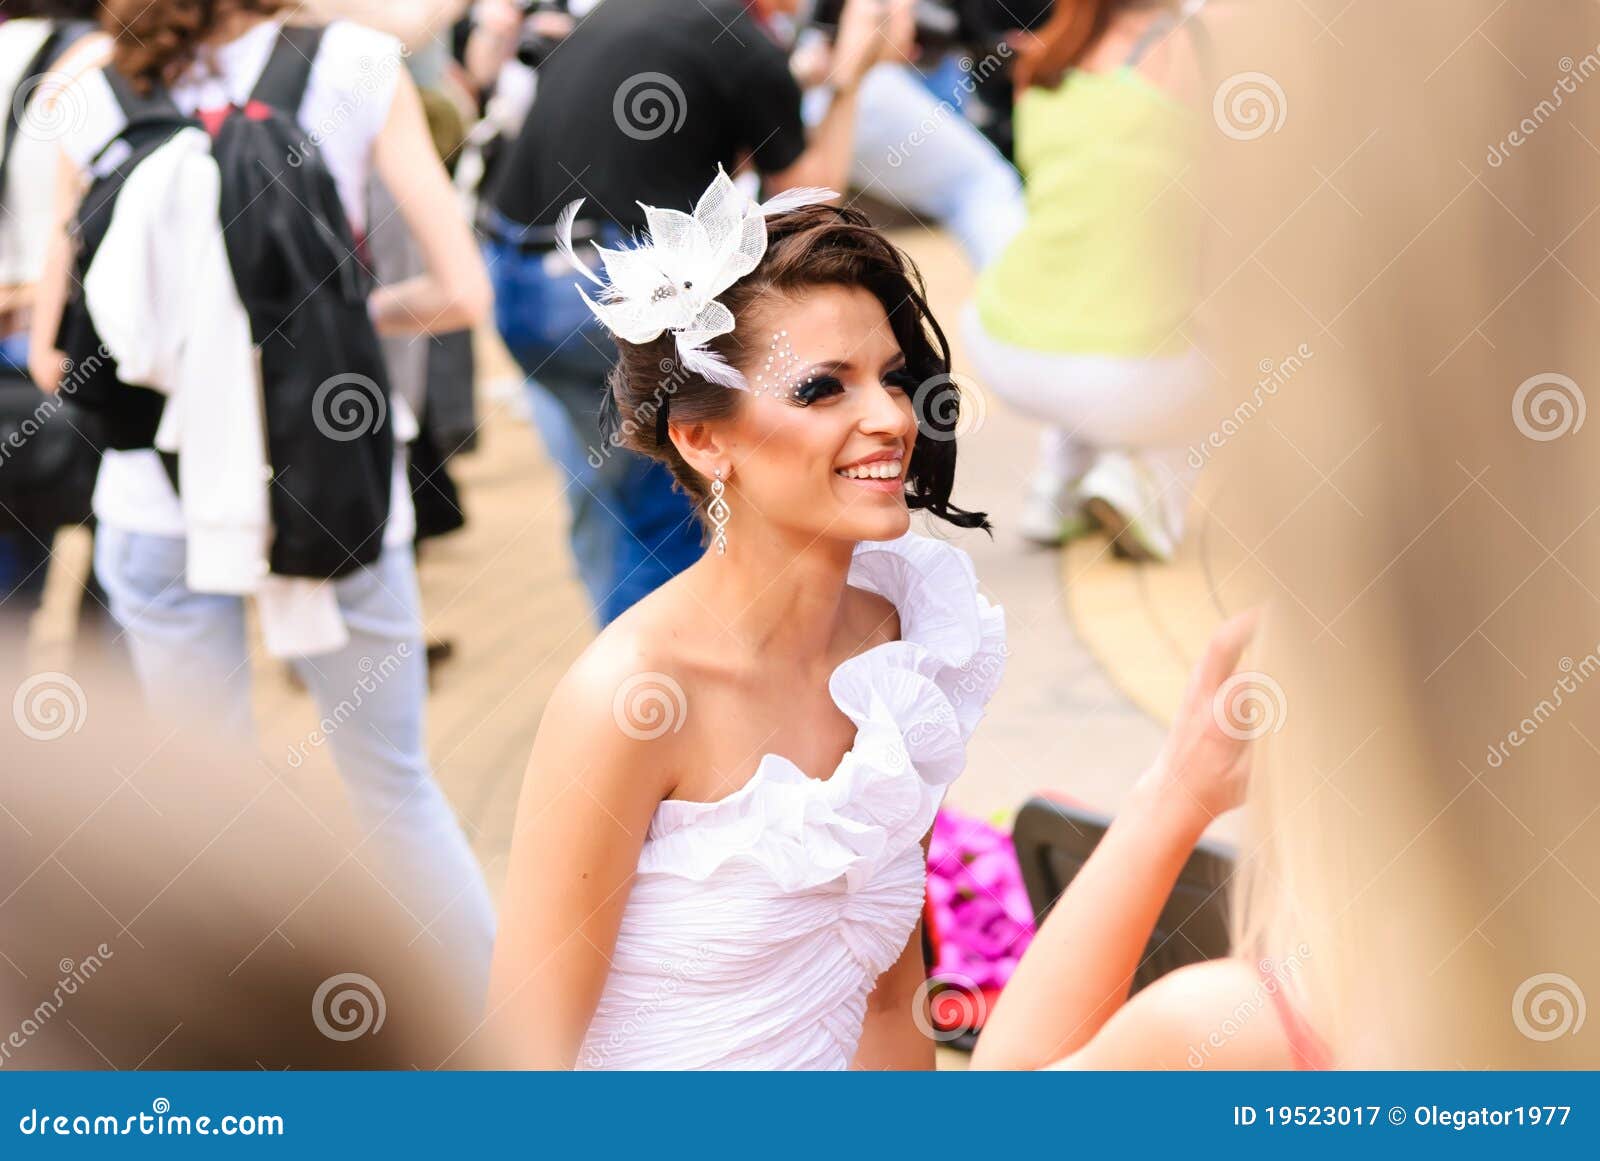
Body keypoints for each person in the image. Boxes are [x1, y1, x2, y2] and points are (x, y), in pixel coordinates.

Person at [27, 0, 498, 1004]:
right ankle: (499, 1053)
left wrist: (197, 354)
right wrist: (312, 325)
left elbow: (49, 352)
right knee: (396, 789)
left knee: (215, 814)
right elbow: (462, 292)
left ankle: (248, 1066)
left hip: (155, 499)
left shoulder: (79, 91)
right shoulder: (356, 64)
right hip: (335, 491)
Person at [487, 170, 1001, 1069]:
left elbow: (889, 1000)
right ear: (703, 437)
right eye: (820, 390)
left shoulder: (908, 646)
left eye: (890, 376)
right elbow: (522, 1068)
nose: (889, 417)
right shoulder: (632, 697)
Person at [479, 0, 914, 627]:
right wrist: (852, 73)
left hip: (518, 279)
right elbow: (812, 199)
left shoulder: (623, 13)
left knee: (604, 494)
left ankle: (624, 658)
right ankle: (659, 692)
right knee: (671, 509)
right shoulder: (747, 46)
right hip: (617, 290)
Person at [964, 0, 1210, 557]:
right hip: (1120, 370)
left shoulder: (1042, 59)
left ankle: (1058, 492)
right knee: (1253, 343)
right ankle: (1145, 489)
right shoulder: (1184, 48)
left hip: (1001, 338)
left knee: (1097, 313)